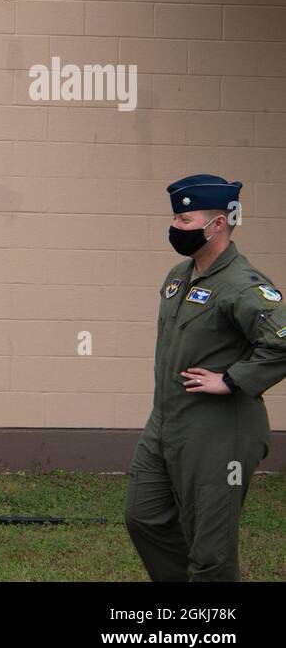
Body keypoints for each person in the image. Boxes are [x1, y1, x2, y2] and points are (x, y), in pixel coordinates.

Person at [124, 174, 285, 581]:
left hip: (219, 432)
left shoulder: (243, 285)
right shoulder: (180, 275)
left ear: (217, 225)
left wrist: (231, 379)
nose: (175, 227)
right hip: (167, 422)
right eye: (175, 218)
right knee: (144, 517)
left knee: (210, 548)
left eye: (184, 219)